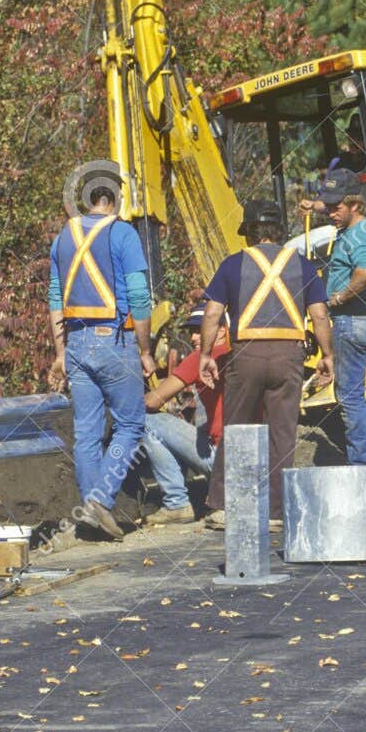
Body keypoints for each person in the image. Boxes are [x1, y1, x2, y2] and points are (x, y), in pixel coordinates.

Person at [198, 199, 333, 529]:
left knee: (236, 428)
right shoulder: (303, 265)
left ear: (250, 233)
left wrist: (204, 354)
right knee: (282, 433)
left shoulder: (233, 264)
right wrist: (328, 356)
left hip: (246, 355)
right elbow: (319, 315)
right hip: (289, 356)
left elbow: (213, 313)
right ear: (279, 230)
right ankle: (276, 513)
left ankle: (224, 508)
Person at [46, 173, 156, 539]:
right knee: (130, 426)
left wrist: (60, 352)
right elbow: (139, 296)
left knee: (87, 433)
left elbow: (55, 297)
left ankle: (92, 509)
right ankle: (102, 500)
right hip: (114, 339)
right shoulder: (123, 234)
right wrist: (145, 349)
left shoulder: (64, 236)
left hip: (76, 342)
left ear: (88, 198)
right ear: (115, 198)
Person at [135, 305, 229, 526]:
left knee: (146, 421)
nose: (195, 337)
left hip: (221, 460)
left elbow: (152, 401)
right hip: (254, 458)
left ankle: (176, 503)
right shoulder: (241, 355)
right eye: (192, 331)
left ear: (222, 330)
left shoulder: (199, 359)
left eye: (200, 330)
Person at [319, 167, 366, 465]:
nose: (331, 212)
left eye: (337, 207)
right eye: (328, 206)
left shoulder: (357, 235)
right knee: (354, 395)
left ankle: (363, 465)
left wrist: (339, 297)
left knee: (349, 397)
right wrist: (313, 205)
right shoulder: (363, 228)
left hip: (351, 319)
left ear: (355, 204)